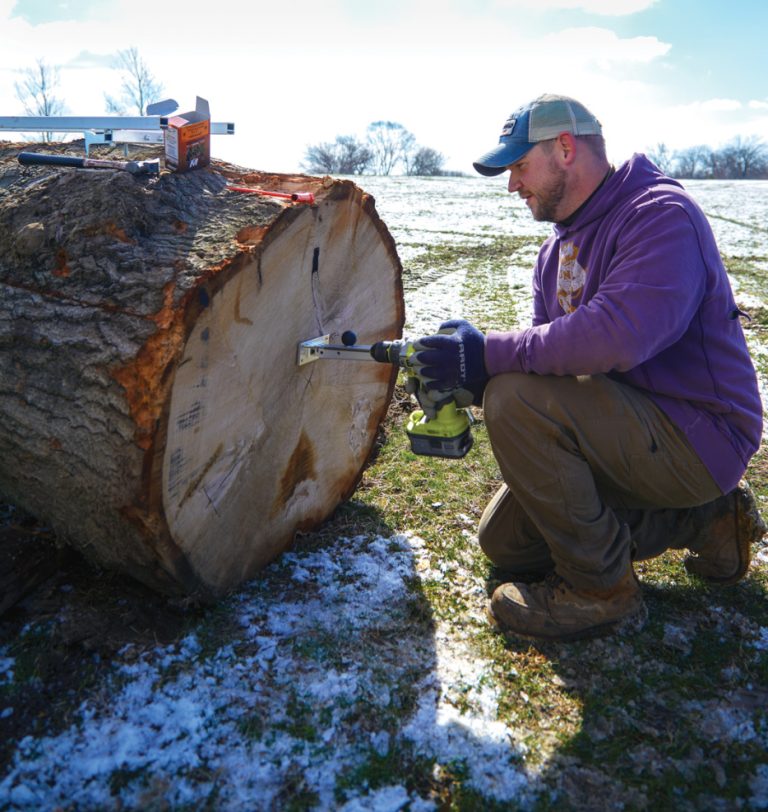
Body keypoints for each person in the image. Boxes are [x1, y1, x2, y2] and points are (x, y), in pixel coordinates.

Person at [412, 93, 765, 642]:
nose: (512, 185)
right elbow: (546, 357)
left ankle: (602, 592)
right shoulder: (555, 252)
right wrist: (465, 372)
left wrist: (490, 359)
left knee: (512, 396)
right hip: (628, 426)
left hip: (700, 434)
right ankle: (705, 520)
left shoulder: (660, 216)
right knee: (504, 543)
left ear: (566, 149)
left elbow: (617, 334)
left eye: (519, 166)